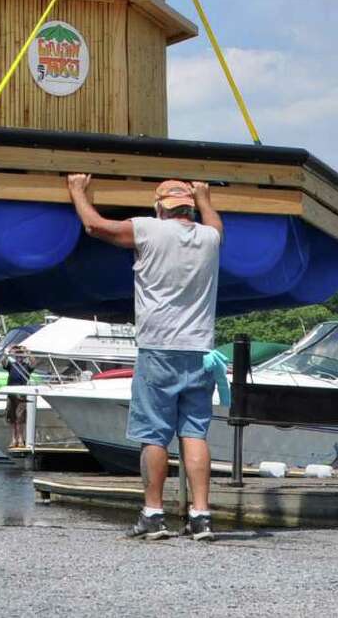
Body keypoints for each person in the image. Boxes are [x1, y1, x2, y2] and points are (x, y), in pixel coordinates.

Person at [66, 174, 222, 542]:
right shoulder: (210, 238)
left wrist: (77, 191)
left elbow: (94, 226)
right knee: (194, 432)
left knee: (154, 434)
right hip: (200, 350)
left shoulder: (149, 229)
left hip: (159, 348)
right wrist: (206, 197)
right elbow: (214, 222)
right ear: (191, 208)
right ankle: (201, 517)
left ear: (159, 207)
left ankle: (153, 515)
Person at [5, 345, 34, 451]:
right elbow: (3, 362)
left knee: (20, 417)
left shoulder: (27, 366)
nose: (19, 357)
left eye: (21, 355)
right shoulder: (11, 365)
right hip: (11, 393)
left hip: (22, 394)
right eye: (17, 355)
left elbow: (34, 363)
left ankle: (21, 439)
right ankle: (13, 439)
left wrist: (28, 352)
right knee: (12, 418)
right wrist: (8, 353)